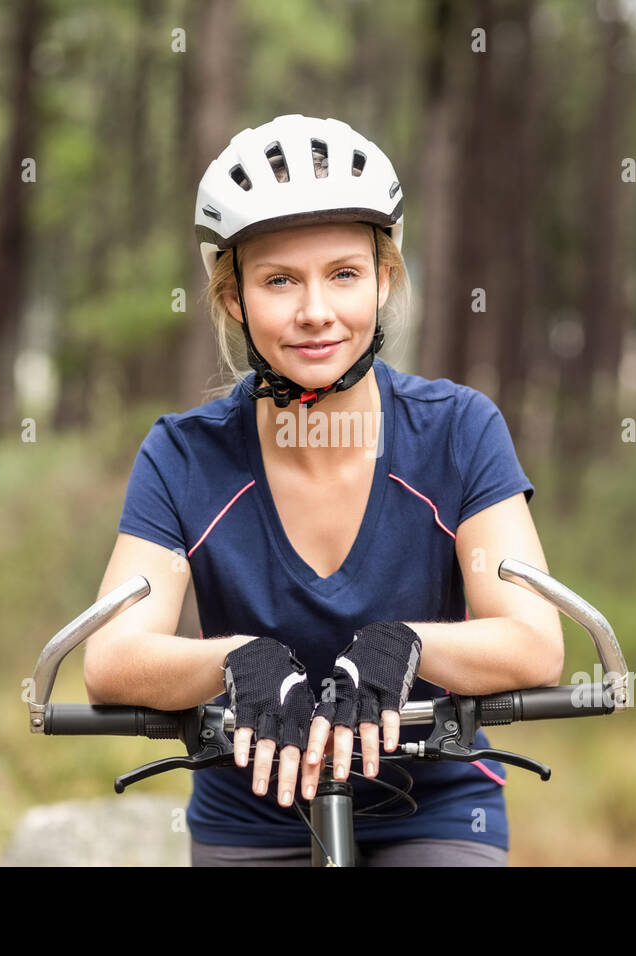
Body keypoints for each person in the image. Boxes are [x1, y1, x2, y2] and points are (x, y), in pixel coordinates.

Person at [83, 114, 564, 866]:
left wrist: (403, 646)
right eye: (279, 280)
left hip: (436, 806)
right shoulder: (183, 454)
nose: (315, 311)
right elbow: (110, 660)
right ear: (235, 298)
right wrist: (237, 658)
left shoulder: (460, 431)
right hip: (250, 815)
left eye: (343, 273)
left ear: (384, 281)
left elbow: (535, 644)